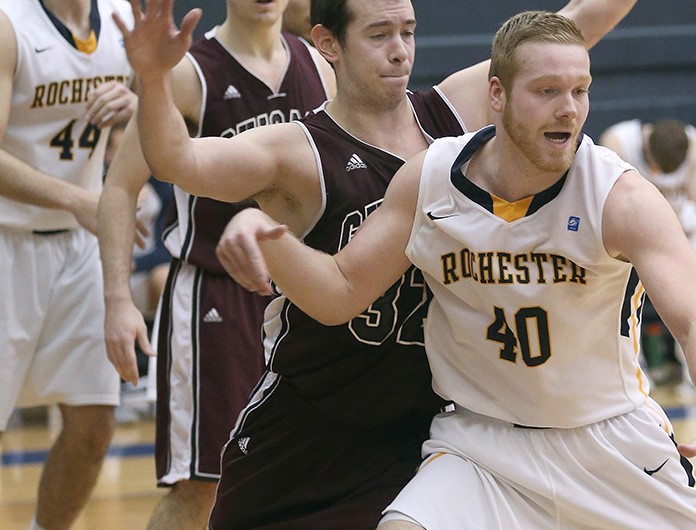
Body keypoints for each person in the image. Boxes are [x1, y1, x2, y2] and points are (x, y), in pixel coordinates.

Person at [216, 11, 696, 529]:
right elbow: (339, 294)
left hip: (609, 440)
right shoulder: (432, 180)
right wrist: (271, 239)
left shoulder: (619, 198)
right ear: (497, 95)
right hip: (482, 444)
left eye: (581, 91)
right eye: (547, 92)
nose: (570, 109)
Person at [114, 0, 635, 527]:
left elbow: (575, 24)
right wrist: (155, 80)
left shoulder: (447, 113)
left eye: (408, 32)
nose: (400, 51)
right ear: (328, 43)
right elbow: (180, 161)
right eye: (379, 35)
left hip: (418, 428)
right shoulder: (299, 151)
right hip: (306, 423)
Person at [99, 0, 336, 527]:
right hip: (214, 296)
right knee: (203, 488)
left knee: (306, 475)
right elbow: (119, 188)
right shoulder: (188, 71)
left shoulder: (320, 66)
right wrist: (118, 299)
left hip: (304, 293)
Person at [0, 1, 135, 529]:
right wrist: (77, 200)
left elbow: (163, 107)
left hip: (82, 245)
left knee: (95, 423)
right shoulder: (11, 23)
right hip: (9, 238)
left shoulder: (122, 15)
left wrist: (134, 99)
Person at [600, 118, 696, 384]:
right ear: (646, 147)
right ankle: (628, 356)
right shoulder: (617, 142)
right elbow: (612, 209)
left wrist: (683, 228)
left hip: (681, 232)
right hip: (635, 232)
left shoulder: (695, 142)